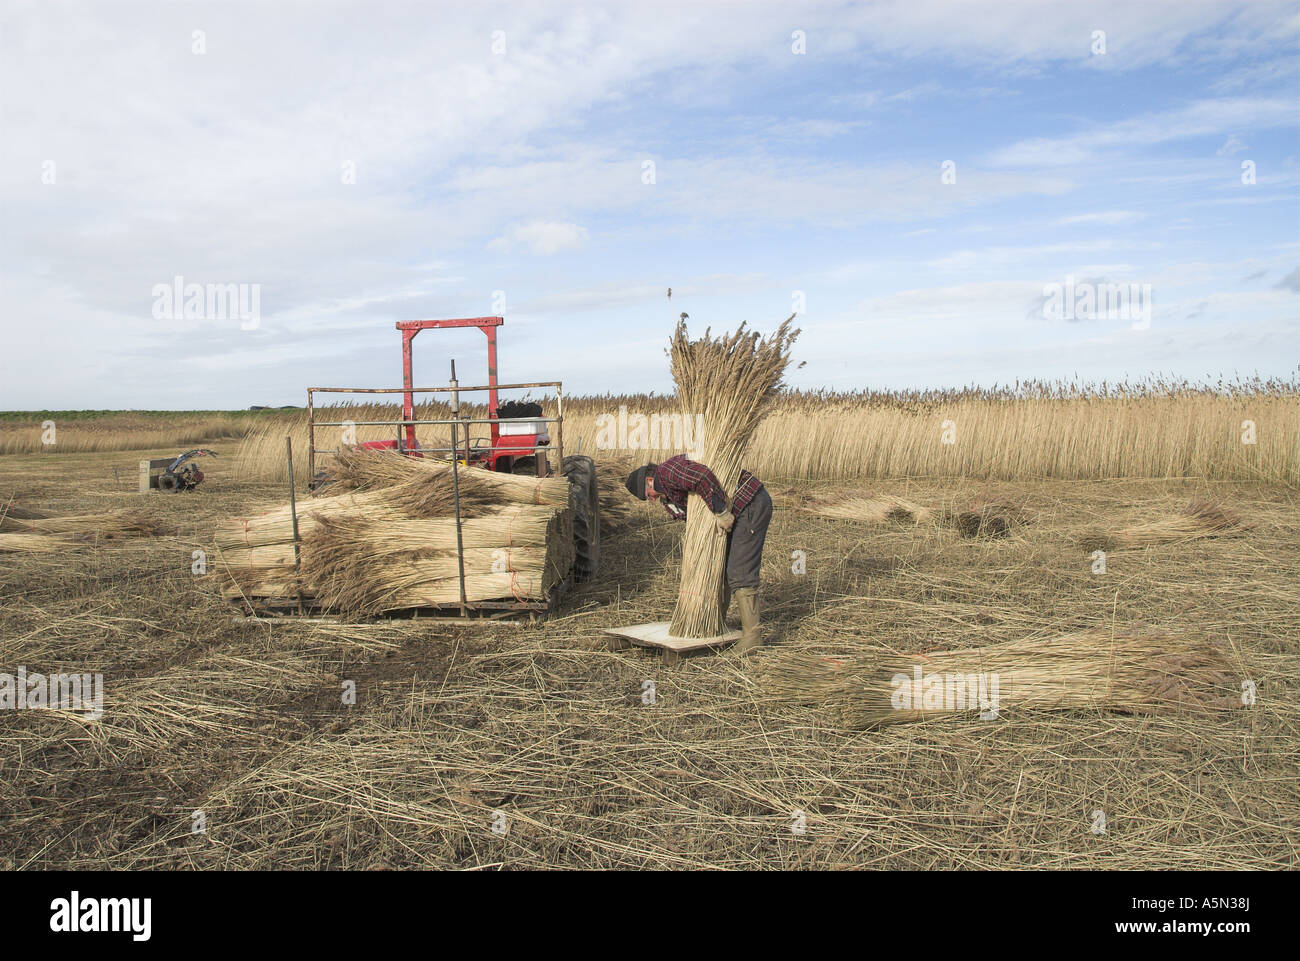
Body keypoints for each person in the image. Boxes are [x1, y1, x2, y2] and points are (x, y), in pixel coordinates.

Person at [625, 455, 773, 654]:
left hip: (749, 503)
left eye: (648, 494)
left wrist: (720, 512)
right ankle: (715, 623)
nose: (652, 498)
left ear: (649, 480)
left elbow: (701, 477)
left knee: (739, 570)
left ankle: (753, 637)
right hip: (735, 513)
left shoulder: (667, 472)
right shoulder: (667, 498)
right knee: (721, 569)